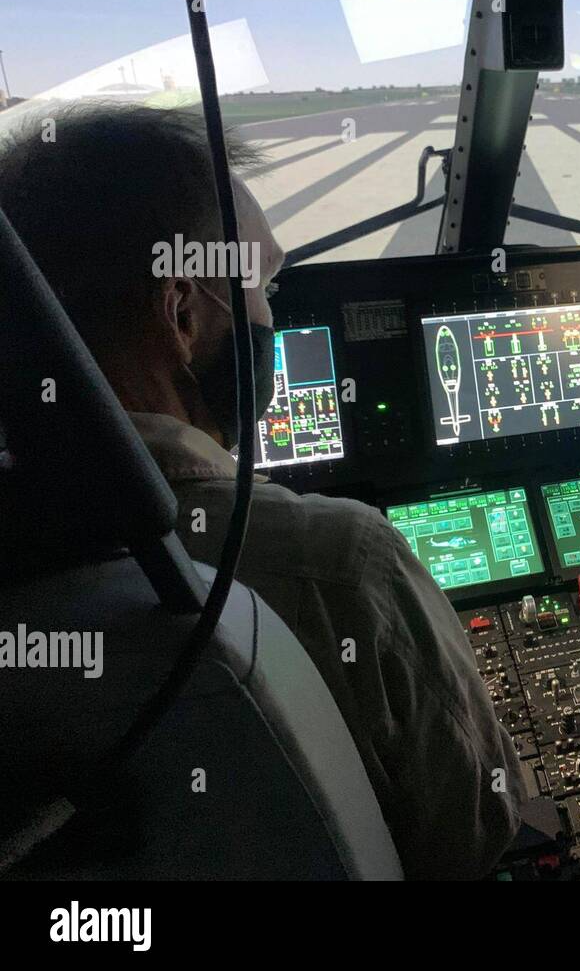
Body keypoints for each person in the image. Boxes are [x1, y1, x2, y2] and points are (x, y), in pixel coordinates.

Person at [0, 104, 523, 879]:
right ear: (180, 313)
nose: (268, 314)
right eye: (263, 285)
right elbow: (477, 829)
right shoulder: (339, 565)